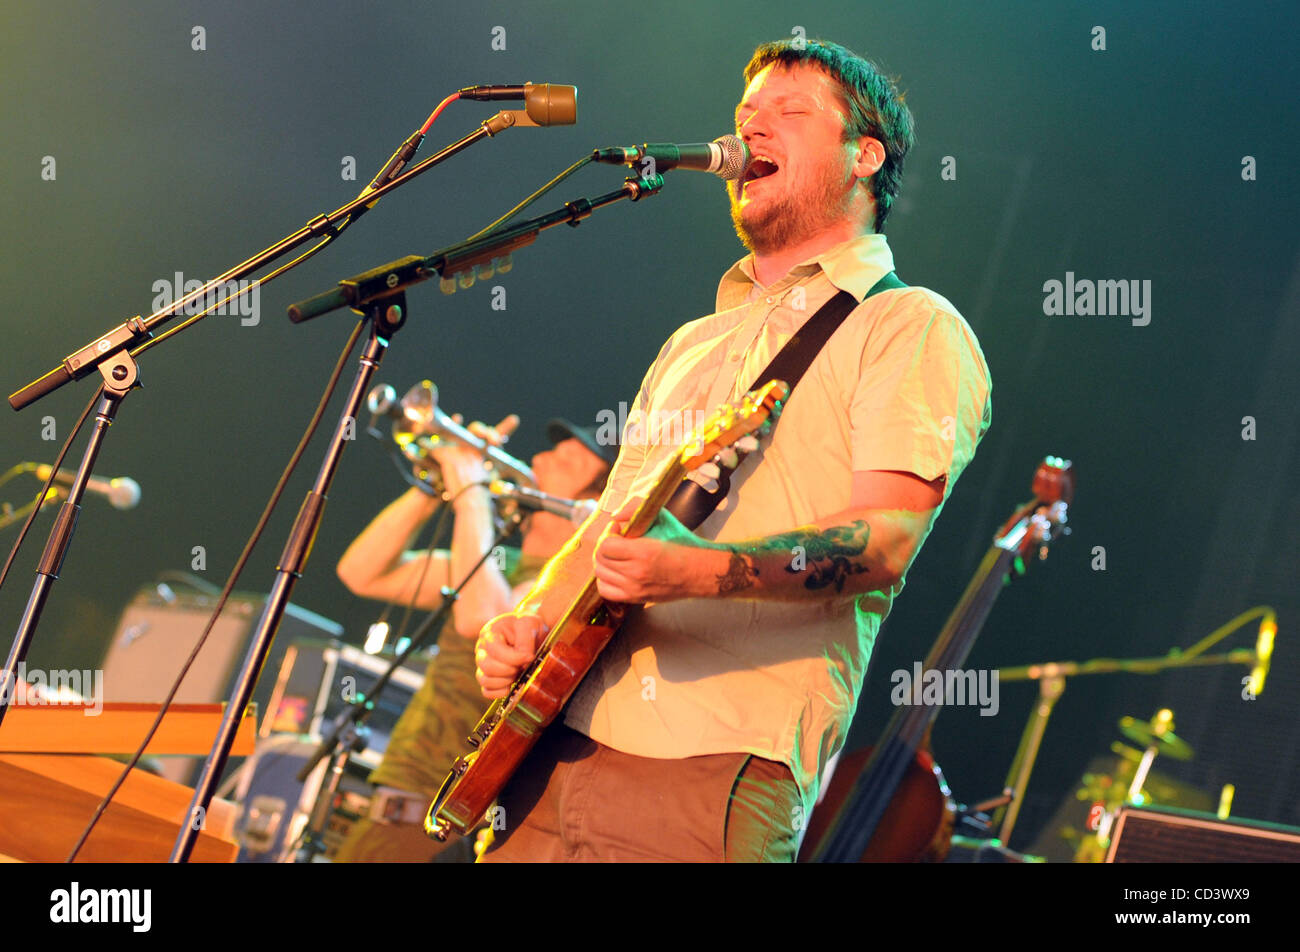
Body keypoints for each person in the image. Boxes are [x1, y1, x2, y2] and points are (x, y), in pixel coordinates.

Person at [473, 38, 994, 862]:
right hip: (552, 741)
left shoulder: (911, 325)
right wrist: (530, 616)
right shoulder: (694, 338)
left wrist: (697, 570)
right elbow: (613, 519)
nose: (751, 133)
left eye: (788, 115)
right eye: (745, 117)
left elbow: (886, 539)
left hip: (711, 763)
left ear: (865, 156)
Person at [331, 415, 614, 862]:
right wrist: (434, 487)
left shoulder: (566, 588)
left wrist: (472, 495)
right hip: (395, 808)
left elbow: (482, 619)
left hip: (448, 823)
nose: (538, 458)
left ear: (594, 503)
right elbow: (362, 572)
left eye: (565, 461)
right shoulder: (496, 560)